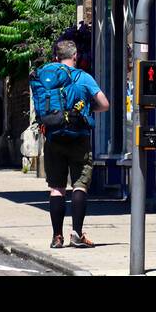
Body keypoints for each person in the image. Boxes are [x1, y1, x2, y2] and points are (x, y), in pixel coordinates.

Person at [40, 38, 109, 250]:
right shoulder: (83, 78)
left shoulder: (46, 77)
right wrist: (88, 110)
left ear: (55, 57)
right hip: (79, 138)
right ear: (75, 56)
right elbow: (104, 104)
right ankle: (77, 234)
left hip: (53, 137)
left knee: (57, 188)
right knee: (80, 184)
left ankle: (57, 237)